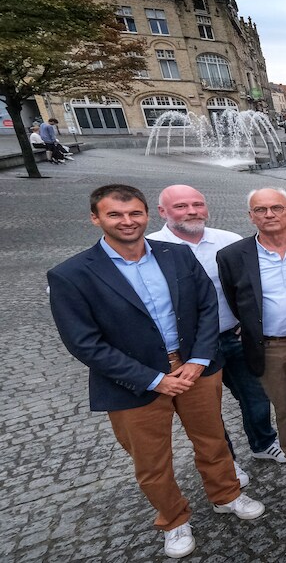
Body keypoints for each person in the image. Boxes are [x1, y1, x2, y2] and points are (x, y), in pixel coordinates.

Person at [49, 184, 264, 559]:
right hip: (133, 381)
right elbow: (84, 343)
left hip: (195, 368)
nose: (127, 221)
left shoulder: (177, 254)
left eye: (134, 213)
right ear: (95, 218)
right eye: (115, 214)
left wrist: (198, 360)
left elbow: (206, 306)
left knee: (212, 439)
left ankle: (226, 494)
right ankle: (173, 518)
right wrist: (154, 379)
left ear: (147, 215)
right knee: (151, 460)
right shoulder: (72, 274)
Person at [148, 185, 286, 484]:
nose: (192, 211)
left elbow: (248, 286)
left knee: (256, 396)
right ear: (163, 212)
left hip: (234, 336)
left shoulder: (227, 241)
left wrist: (247, 320)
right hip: (191, 346)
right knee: (206, 410)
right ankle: (227, 460)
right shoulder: (150, 247)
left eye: (197, 204)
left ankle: (263, 443)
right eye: (181, 206)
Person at [217, 188, 286, 490]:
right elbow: (232, 294)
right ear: (250, 216)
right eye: (261, 210)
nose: (269, 215)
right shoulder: (232, 256)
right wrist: (248, 324)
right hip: (273, 344)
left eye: (276, 208)